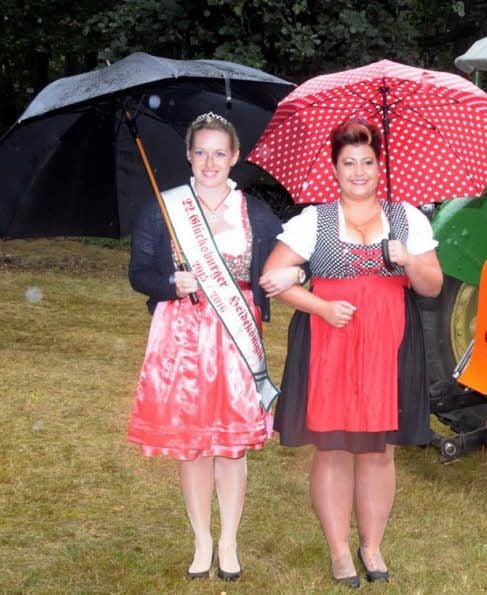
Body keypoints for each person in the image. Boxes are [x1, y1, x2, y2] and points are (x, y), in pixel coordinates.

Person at [261, 119, 443, 587]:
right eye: (349, 163)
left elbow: (433, 286)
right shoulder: (312, 221)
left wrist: (410, 260)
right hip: (332, 341)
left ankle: (372, 546)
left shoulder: (409, 219)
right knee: (334, 448)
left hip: (390, 343)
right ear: (334, 167)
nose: (359, 171)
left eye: (367, 161)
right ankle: (340, 551)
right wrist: (319, 304)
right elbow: (272, 279)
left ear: (380, 166)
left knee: (380, 451)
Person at [127, 112, 302, 582]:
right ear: (188, 155)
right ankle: (202, 541)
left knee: (231, 447)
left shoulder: (256, 213)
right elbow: (138, 273)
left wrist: (295, 274)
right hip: (181, 341)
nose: (209, 162)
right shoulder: (164, 208)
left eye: (219, 153)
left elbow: (291, 258)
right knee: (193, 447)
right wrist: (169, 281)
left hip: (235, 338)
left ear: (235, 157)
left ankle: (229, 542)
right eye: (200, 151)